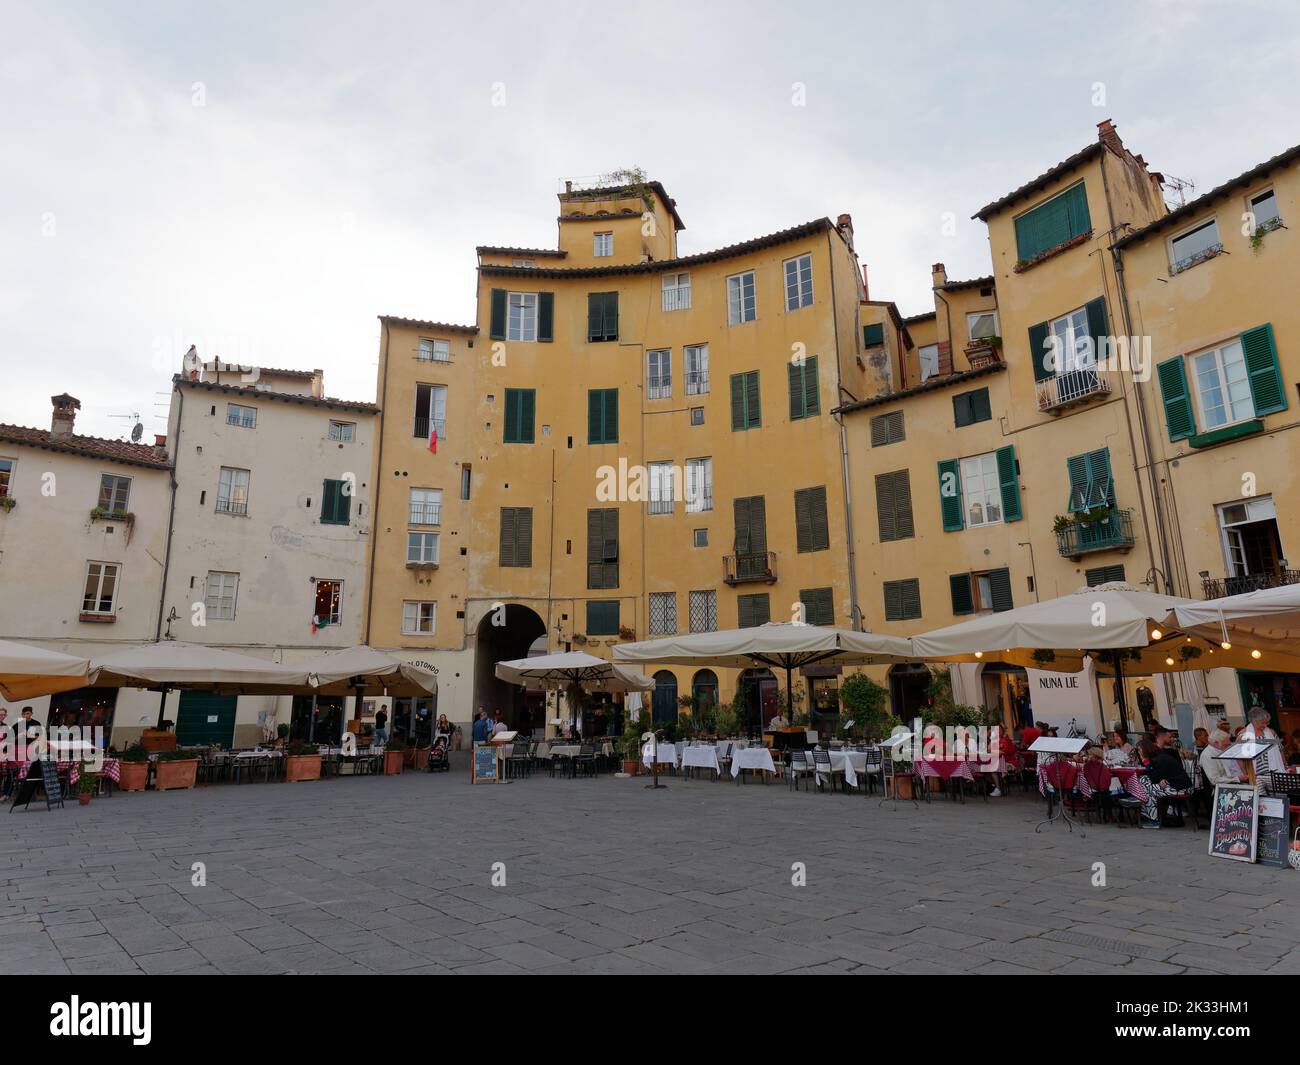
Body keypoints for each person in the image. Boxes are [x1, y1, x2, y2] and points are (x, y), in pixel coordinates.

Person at [1136, 736, 1192, 828]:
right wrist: (1159, 778)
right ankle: (1151, 815)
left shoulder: (1160, 759)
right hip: (1174, 784)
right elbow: (1157, 776)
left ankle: (1153, 819)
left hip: (1180, 787)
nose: (1139, 752)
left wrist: (1146, 762)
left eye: (1139, 750)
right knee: (1143, 781)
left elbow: (1153, 778)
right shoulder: (1159, 757)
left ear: (1145, 750)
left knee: (1149, 789)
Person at [1239, 707, 1285, 788]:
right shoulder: (1243, 735)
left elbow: (1280, 750)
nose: (1265, 725)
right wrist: (1246, 773)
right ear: (1254, 722)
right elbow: (1238, 757)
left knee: (1277, 797)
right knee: (1259, 798)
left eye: (1267, 723)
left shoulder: (1271, 732)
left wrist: (1284, 765)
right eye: (1262, 723)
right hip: (1255, 775)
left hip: (1273, 772)